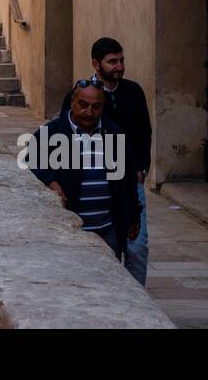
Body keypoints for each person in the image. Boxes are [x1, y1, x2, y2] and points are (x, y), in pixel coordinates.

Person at [57, 37, 152, 285]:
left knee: (136, 249)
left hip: (128, 182)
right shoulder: (78, 95)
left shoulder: (133, 92)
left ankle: (136, 303)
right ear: (96, 64)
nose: (119, 66)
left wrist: (141, 169)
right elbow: (56, 140)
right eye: (112, 62)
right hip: (91, 183)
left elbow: (144, 133)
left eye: (121, 60)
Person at [32, 78, 141, 260]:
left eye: (96, 107)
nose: (89, 112)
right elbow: (31, 161)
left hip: (107, 231)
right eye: (83, 105)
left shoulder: (114, 134)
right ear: (72, 102)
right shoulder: (52, 132)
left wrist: (133, 216)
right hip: (69, 232)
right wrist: (51, 183)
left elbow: (128, 180)